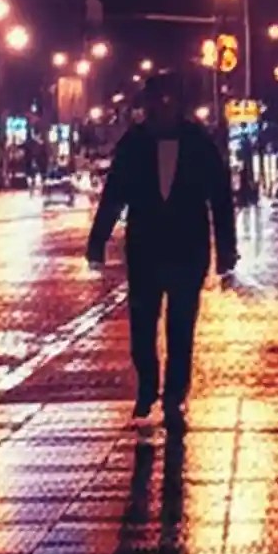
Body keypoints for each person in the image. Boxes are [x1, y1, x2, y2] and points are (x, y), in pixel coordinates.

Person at [86, 72, 237, 431]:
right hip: (145, 250)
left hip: (188, 249)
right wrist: (98, 241)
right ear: (148, 104)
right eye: (158, 100)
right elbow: (114, 196)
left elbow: (220, 198)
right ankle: (148, 385)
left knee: (181, 329)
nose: (164, 107)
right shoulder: (134, 144)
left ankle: (173, 397)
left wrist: (227, 250)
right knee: (142, 326)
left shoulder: (198, 143)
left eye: (170, 100)